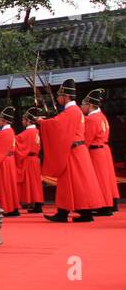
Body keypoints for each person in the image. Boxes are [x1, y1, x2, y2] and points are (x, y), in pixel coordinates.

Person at [40, 79, 106, 223]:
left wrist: (42, 123)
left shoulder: (71, 111)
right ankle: (83, 213)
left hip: (73, 151)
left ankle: (64, 213)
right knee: (79, 183)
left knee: (69, 182)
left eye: (60, 95)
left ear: (66, 96)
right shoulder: (74, 111)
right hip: (78, 150)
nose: (58, 98)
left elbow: (57, 125)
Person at [82, 89, 117, 218]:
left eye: (83, 105)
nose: (82, 107)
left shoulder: (92, 119)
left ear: (90, 105)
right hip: (103, 149)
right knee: (106, 179)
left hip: (95, 151)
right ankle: (110, 204)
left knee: (99, 179)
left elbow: (86, 139)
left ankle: (104, 206)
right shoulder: (101, 116)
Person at [15, 107, 45, 213]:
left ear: (28, 121)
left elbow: (15, 141)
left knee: (31, 182)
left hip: (29, 160)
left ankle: (36, 204)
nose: (22, 122)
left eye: (24, 120)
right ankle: (37, 203)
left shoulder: (28, 132)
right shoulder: (36, 131)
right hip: (35, 159)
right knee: (35, 183)